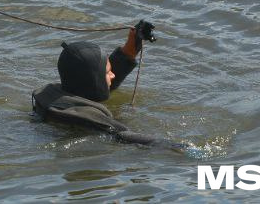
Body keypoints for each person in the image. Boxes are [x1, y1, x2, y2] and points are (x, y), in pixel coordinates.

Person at [32, 20, 181, 148]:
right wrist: (181, 148)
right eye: (108, 72)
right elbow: (127, 136)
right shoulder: (98, 124)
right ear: (93, 79)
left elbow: (99, 79)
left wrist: (134, 40)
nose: (113, 74)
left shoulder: (59, 94)